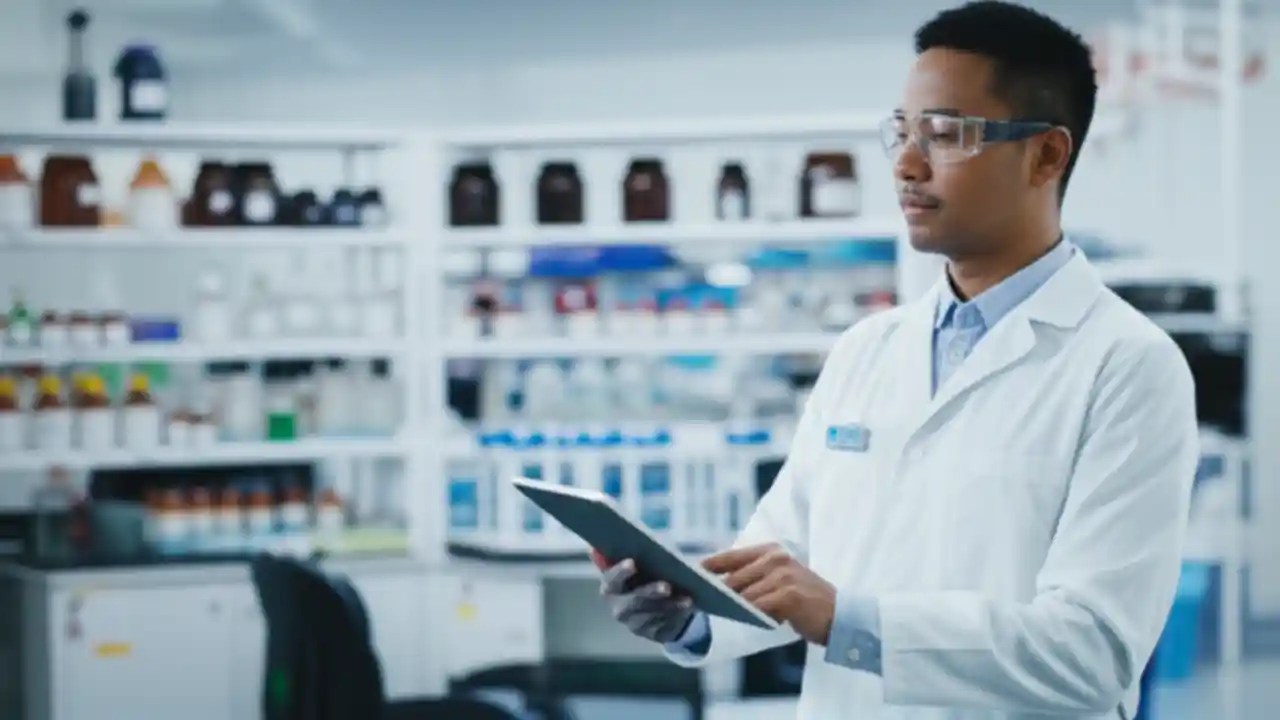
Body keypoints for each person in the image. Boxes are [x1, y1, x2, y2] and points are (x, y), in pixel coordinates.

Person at [590, 2, 1199, 719]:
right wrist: (687, 615)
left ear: (1047, 155)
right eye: (903, 132)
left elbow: (1092, 653)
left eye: (944, 135)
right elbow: (780, 562)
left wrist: (849, 621)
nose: (907, 165)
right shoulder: (867, 349)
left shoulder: (1126, 366)